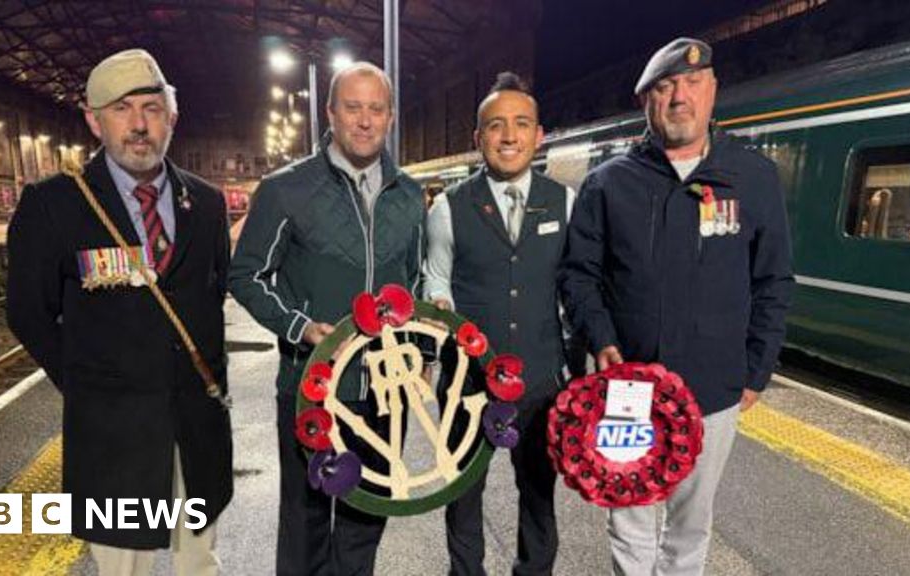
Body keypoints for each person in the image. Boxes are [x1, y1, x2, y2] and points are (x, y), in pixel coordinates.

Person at [559, 38, 793, 576]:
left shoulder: (752, 178)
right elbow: (580, 274)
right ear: (647, 102)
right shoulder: (608, 183)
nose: (679, 97)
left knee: (691, 523)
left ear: (713, 91)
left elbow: (773, 279)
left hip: (714, 390)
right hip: (628, 389)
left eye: (692, 83)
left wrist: (755, 372)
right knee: (630, 520)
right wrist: (601, 339)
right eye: (665, 87)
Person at [6, 49, 233, 576]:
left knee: (199, 564)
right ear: (93, 119)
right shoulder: (54, 205)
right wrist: (90, 386)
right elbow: (28, 313)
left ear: (171, 118)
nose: (138, 124)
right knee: (121, 570)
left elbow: (209, 293)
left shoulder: (207, 202)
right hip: (112, 437)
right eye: (121, 108)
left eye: (152, 108)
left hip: (196, 428)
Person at [228, 61, 425, 575]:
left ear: (391, 118)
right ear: (331, 113)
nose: (364, 120)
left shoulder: (408, 195)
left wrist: (422, 352)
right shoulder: (285, 189)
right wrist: (300, 327)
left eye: (375, 109)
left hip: (385, 388)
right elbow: (247, 275)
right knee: (307, 517)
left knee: (367, 516)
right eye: (353, 107)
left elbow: (417, 282)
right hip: (311, 385)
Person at [424, 71, 575, 576]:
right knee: (462, 495)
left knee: (538, 492)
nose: (509, 136)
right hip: (468, 385)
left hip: (541, 383)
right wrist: (439, 306)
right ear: (478, 138)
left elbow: (576, 288)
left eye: (521, 124)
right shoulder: (447, 208)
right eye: (495, 126)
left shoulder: (565, 202)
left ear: (539, 135)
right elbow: (436, 281)